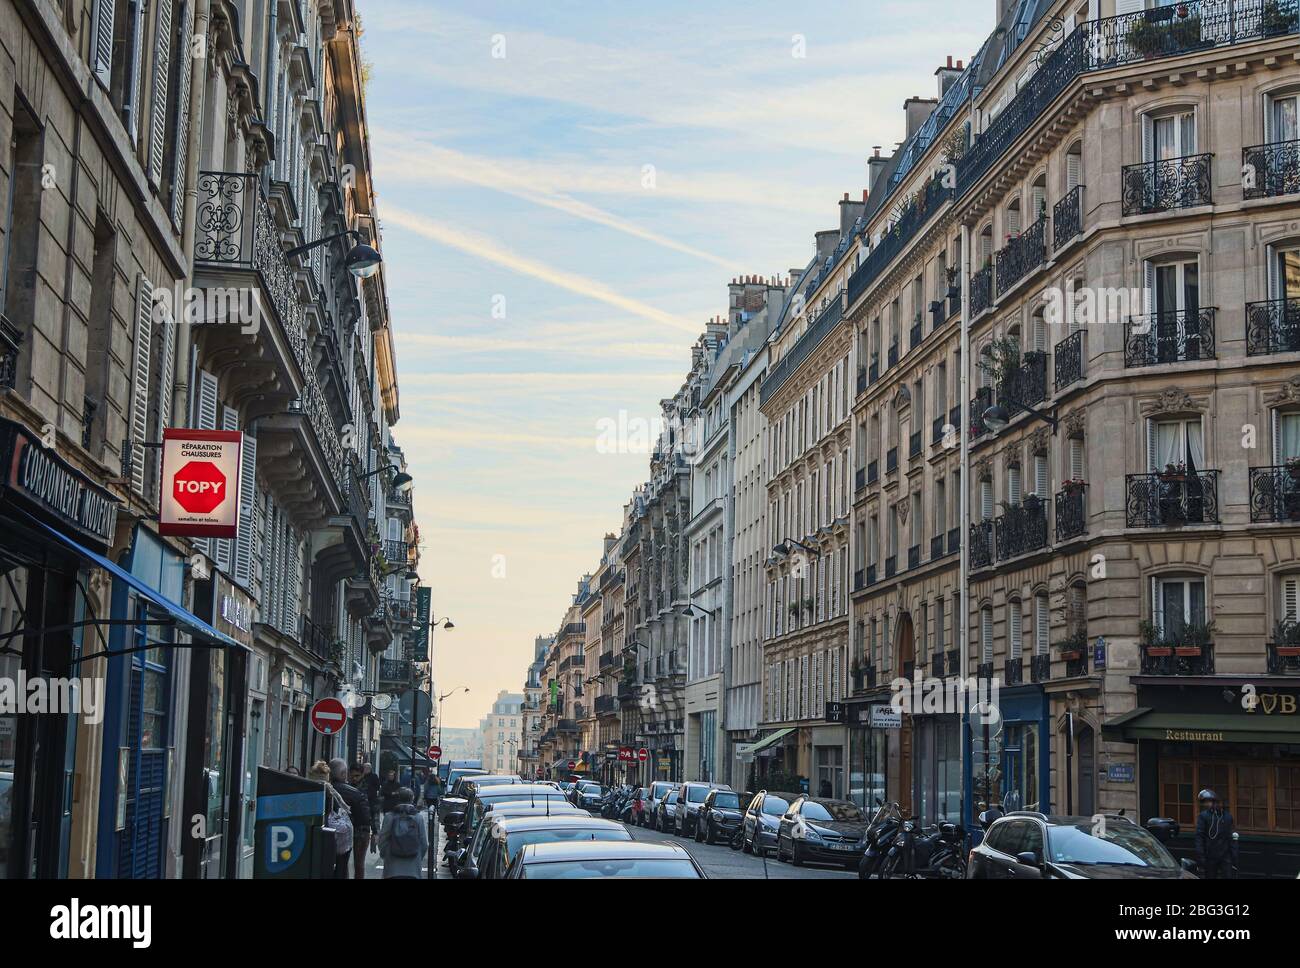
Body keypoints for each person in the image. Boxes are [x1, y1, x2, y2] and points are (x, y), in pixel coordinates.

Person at [329, 758, 372, 879]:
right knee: (348, 863)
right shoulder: (354, 792)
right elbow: (364, 817)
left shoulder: (322, 788)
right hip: (351, 831)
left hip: (328, 832)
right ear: (343, 774)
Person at [377, 786, 427, 879]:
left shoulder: (389, 816)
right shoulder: (418, 817)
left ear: (397, 799)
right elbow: (424, 843)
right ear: (412, 799)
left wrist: (386, 855)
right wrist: (418, 857)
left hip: (392, 868)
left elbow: (382, 841)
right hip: (413, 869)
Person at [1194, 789, 1238, 878]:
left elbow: (1231, 837)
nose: (1206, 804)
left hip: (1225, 855)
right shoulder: (1203, 816)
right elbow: (1199, 837)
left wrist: (1234, 856)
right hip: (1210, 855)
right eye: (1205, 802)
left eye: (1208, 802)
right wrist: (1201, 856)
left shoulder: (1227, 817)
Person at [348, 764, 377, 878]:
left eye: (357, 776)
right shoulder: (347, 787)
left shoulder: (368, 790)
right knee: (343, 861)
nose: (354, 778)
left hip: (362, 830)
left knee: (359, 863)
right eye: (352, 776)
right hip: (348, 827)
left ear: (362, 775)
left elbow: (374, 811)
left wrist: (375, 832)